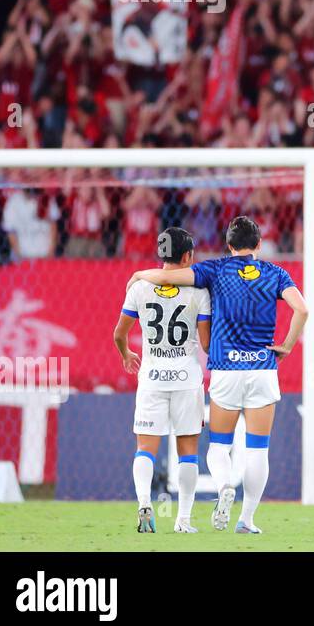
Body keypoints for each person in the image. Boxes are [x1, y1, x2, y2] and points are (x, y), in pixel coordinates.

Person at [127, 215, 309, 535]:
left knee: (218, 446)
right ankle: (247, 519)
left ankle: (224, 485)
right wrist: (288, 345)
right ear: (259, 245)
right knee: (257, 449)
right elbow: (302, 310)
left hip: (226, 369)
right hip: (263, 368)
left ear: (228, 245)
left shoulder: (216, 269)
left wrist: (141, 273)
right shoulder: (276, 273)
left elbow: (169, 278)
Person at [114, 227, 210, 534]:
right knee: (188, 451)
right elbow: (206, 344)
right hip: (186, 378)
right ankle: (183, 520)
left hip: (152, 378)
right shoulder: (199, 291)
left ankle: (145, 503)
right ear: (186, 257)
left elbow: (119, 333)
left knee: (145, 448)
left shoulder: (139, 287)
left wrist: (127, 354)